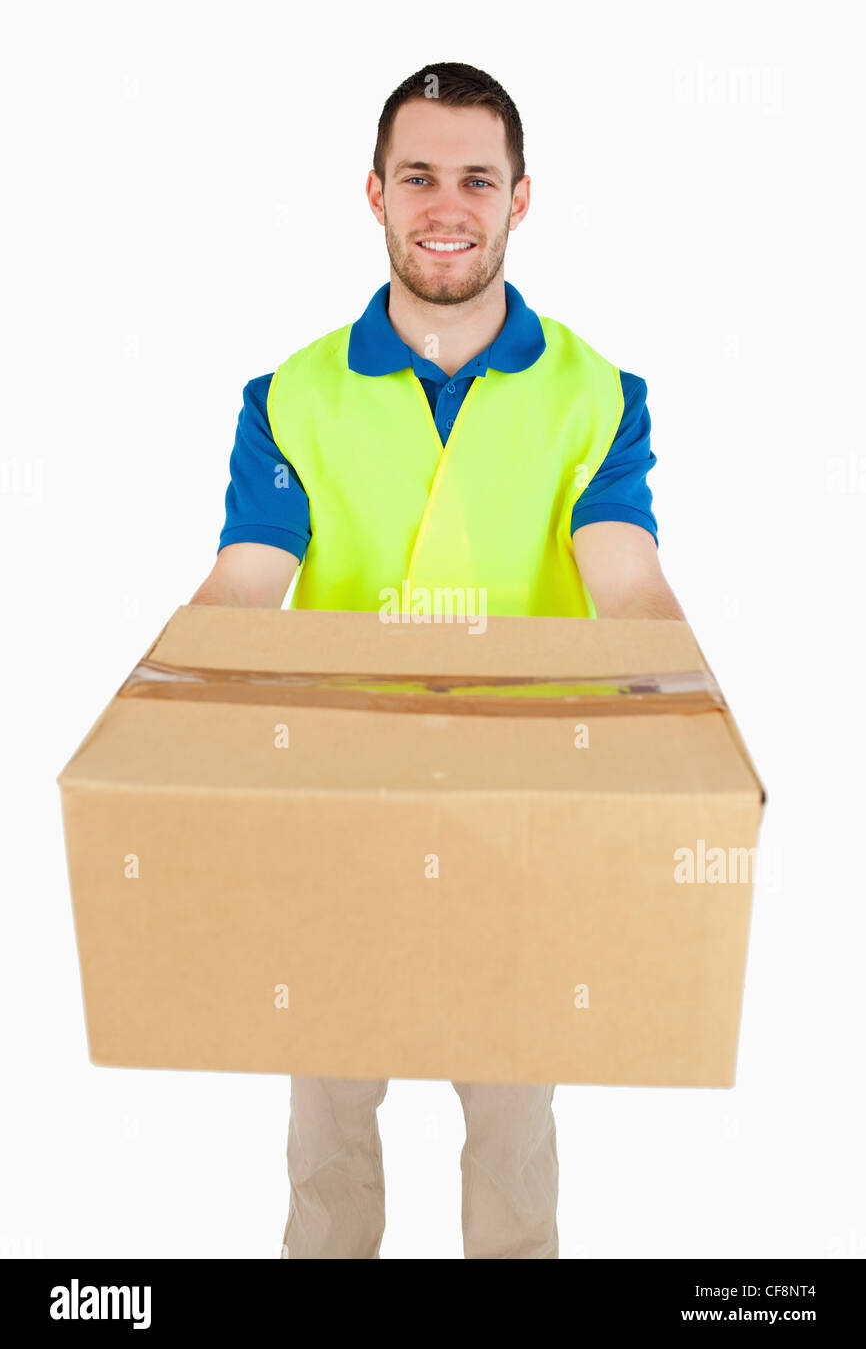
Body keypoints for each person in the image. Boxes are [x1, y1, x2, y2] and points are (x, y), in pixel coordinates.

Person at [190, 61, 685, 1259]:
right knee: (326, 1143)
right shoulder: (292, 395)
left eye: (476, 177)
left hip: (519, 817)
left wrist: (685, 719)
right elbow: (246, 580)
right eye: (418, 175)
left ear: (521, 198)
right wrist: (165, 710)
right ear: (374, 192)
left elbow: (622, 576)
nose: (445, 204)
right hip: (337, 809)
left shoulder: (596, 396)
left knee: (511, 1152)